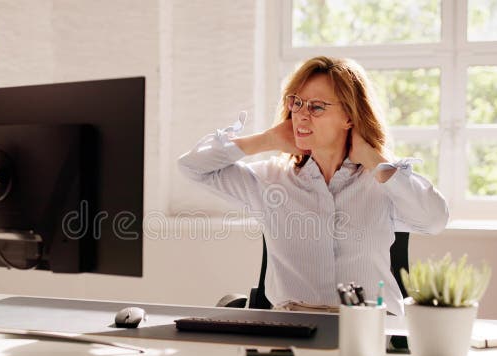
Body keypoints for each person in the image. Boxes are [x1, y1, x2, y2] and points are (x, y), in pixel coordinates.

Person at [177, 56, 448, 316]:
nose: (301, 115)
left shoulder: (381, 181)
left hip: (369, 326)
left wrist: (375, 159)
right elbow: (191, 167)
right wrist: (265, 140)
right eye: (297, 103)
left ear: (350, 117)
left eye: (316, 107)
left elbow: (434, 220)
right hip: (292, 327)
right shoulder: (271, 180)